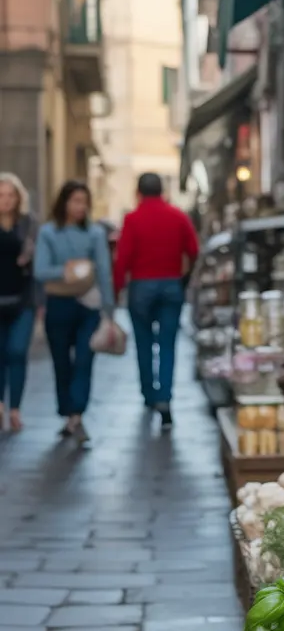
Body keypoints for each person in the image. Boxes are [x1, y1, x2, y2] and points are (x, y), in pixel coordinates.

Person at [114, 172, 198, 428]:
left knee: (143, 344)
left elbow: (123, 257)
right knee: (168, 345)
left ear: (138, 193)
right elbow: (194, 250)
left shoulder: (132, 219)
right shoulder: (178, 216)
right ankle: (165, 401)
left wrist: (117, 287)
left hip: (141, 287)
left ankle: (149, 395)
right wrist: (183, 278)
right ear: (163, 191)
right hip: (171, 285)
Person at [34, 180, 114, 445]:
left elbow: (103, 271)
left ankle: (77, 412)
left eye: (84, 201)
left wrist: (109, 310)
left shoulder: (95, 233)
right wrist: (70, 270)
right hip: (59, 303)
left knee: (84, 358)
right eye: (75, 201)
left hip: (88, 305)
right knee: (60, 360)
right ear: (64, 203)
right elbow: (40, 270)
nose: (80, 207)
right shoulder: (48, 233)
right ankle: (66, 409)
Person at [0, 173, 37, 432]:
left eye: (10, 195)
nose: (5, 201)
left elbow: (39, 261)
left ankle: (15, 409)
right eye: (1, 196)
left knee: (17, 352)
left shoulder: (28, 224)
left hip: (22, 300)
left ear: (18, 198)